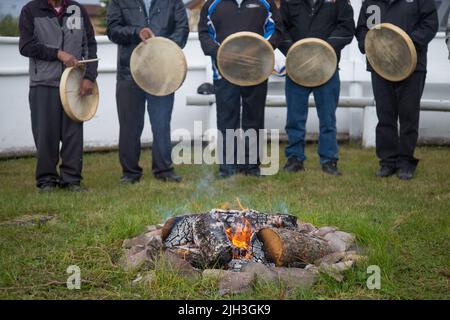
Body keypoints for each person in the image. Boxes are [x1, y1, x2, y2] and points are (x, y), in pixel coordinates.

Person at [19, 0, 98, 192]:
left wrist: (89, 76)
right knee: (46, 135)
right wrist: (58, 54)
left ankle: (71, 180)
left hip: (74, 83)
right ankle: (47, 181)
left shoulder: (78, 10)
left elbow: (91, 45)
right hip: (43, 84)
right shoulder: (30, 10)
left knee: (73, 135)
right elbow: (26, 46)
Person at [107, 0, 189, 184]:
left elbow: (182, 29)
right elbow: (112, 30)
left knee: (161, 123)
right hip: (129, 73)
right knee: (129, 125)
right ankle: (130, 173)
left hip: (163, 73)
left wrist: (161, 47)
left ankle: (164, 170)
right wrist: (137, 32)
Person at [198, 0, 283, 178]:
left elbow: (276, 29)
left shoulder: (264, 3)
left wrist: (260, 49)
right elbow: (205, 33)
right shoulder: (212, 4)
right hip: (224, 72)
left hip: (256, 70)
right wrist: (220, 51)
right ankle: (228, 167)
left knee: (254, 117)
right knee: (227, 119)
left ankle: (251, 166)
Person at [356, 0, 438, 180]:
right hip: (380, 67)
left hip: (412, 67)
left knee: (408, 116)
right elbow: (362, 29)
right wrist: (368, 45)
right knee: (385, 116)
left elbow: (430, 24)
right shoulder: (370, 3)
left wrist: (403, 44)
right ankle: (387, 162)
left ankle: (405, 163)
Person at [279, 0, 355, 176]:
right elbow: (280, 28)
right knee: (294, 118)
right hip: (297, 68)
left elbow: (346, 27)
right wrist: (296, 52)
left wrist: (324, 49)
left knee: (328, 118)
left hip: (327, 68)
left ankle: (329, 160)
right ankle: (294, 159)